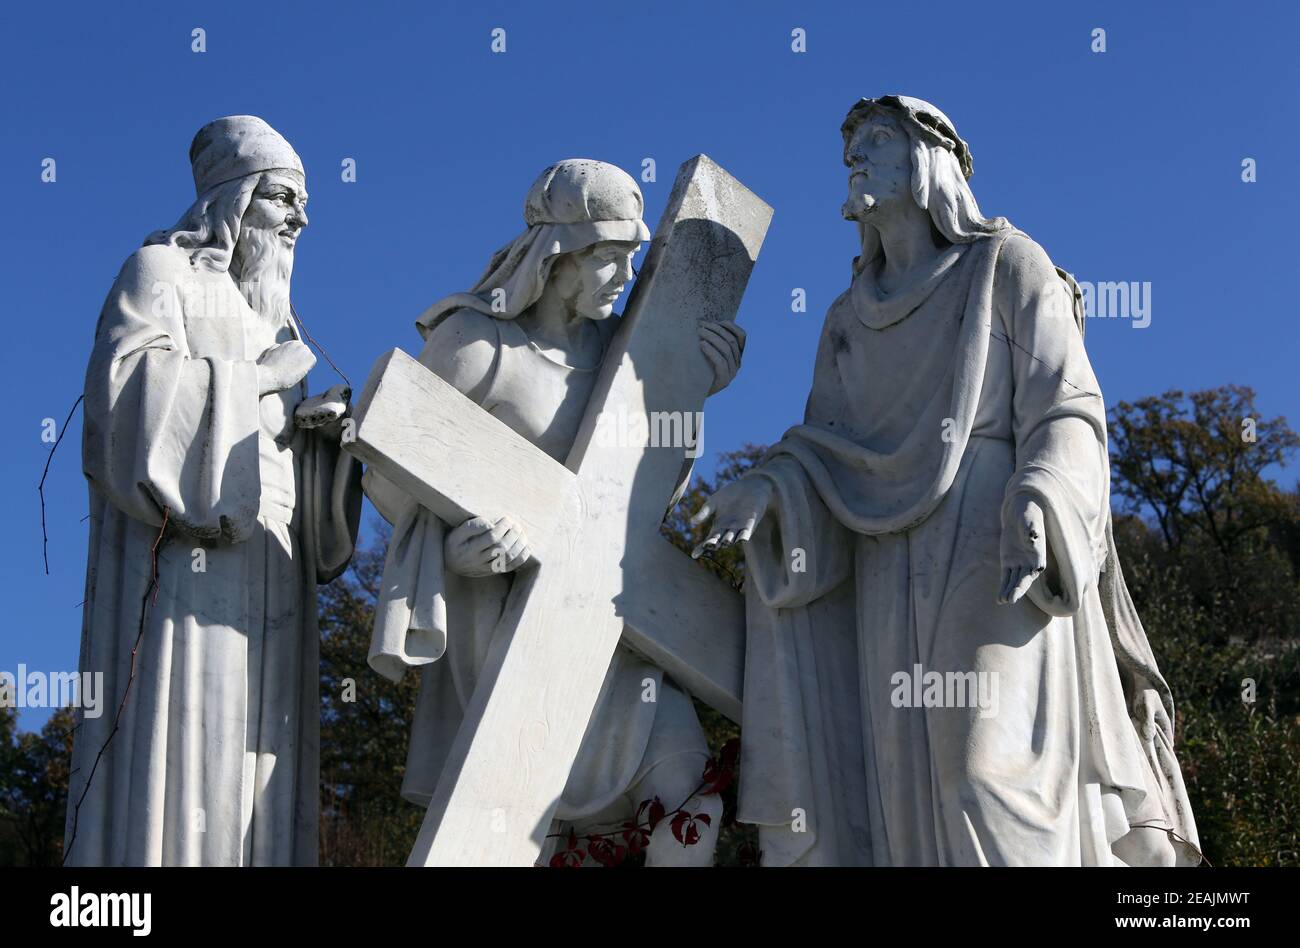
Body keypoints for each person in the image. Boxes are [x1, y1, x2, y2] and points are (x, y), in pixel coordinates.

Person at [692, 96, 1199, 866]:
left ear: (930, 160)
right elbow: (824, 447)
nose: (855, 157)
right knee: (902, 789)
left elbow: (1070, 407)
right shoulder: (844, 318)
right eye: (851, 146)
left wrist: (1040, 500)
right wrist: (769, 488)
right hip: (884, 557)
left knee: (979, 777)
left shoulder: (1009, 265)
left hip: (996, 538)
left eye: (876, 141)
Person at [367, 159, 745, 865]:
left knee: (688, 787)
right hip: (508, 626)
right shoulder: (478, 346)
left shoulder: (627, 357)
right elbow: (393, 477)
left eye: (632, 258)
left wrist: (692, 387)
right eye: (607, 258)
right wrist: (451, 556)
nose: (624, 276)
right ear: (557, 254)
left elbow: (639, 495)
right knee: (511, 825)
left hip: (616, 626)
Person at [68, 116, 361, 866]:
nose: (302, 219)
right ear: (231, 201)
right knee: (189, 746)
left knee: (261, 762)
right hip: (188, 575)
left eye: (303, 202)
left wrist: (321, 443)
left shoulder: (276, 320)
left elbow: (302, 492)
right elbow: (127, 403)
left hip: (273, 570)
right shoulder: (159, 275)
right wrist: (257, 380)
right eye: (283, 198)